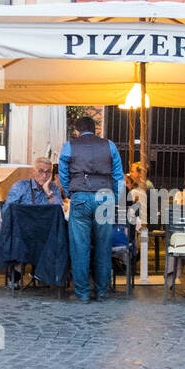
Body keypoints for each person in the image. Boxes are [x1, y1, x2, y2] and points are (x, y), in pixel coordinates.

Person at [59, 116, 123, 302]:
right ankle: (102, 291)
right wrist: (115, 198)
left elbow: (63, 173)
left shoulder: (69, 146)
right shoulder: (109, 145)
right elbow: (118, 175)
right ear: (95, 130)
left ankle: (83, 292)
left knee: (80, 247)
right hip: (105, 197)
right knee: (103, 246)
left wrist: (72, 192)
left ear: (77, 131)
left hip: (80, 196)